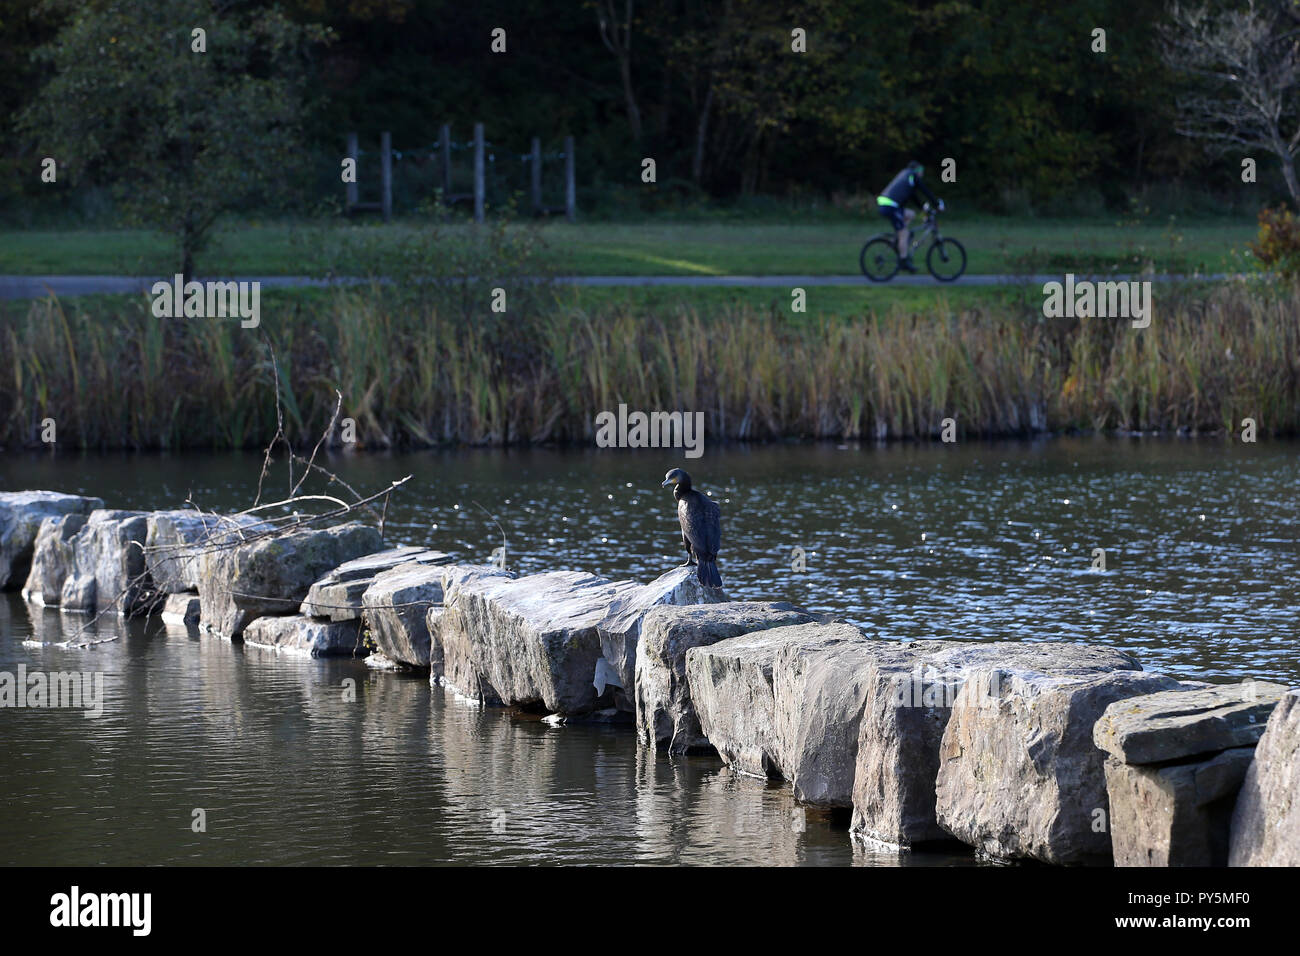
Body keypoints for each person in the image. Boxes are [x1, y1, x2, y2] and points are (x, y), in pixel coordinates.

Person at [877, 160, 944, 272]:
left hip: (889, 205)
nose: (922, 173)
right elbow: (925, 190)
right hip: (891, 206)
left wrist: (923, 208)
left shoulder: (906, 176)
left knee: (911, 214)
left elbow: (913, 196)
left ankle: (899, 240)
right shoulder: (912, 176)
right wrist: (937, 205)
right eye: (921, 170)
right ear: (917, 170)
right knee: (904, 233)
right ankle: (903, 261)